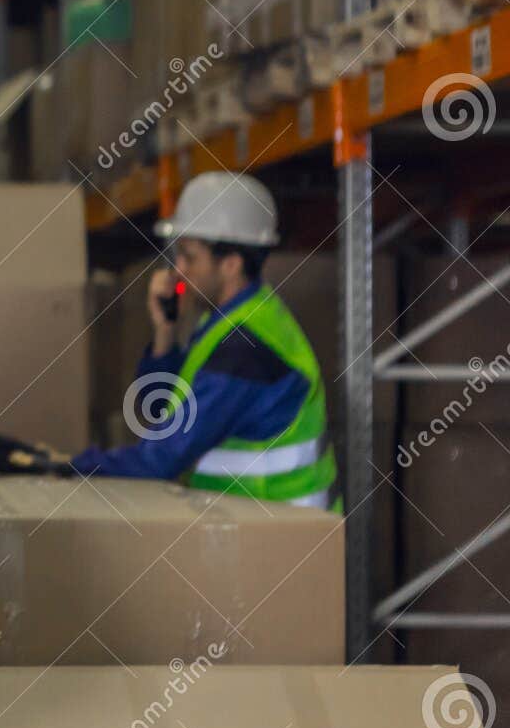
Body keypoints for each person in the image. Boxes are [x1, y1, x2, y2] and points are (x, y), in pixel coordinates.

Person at [71, 171, 338, 509]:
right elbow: (162, 412)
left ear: (230, 264)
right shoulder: (231, 320)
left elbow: (161, 459)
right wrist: (165, 331)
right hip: (258, 530)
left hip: (280, 542)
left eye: (189, 256)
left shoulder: (245, 351)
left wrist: (69, 467)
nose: (177, 270)